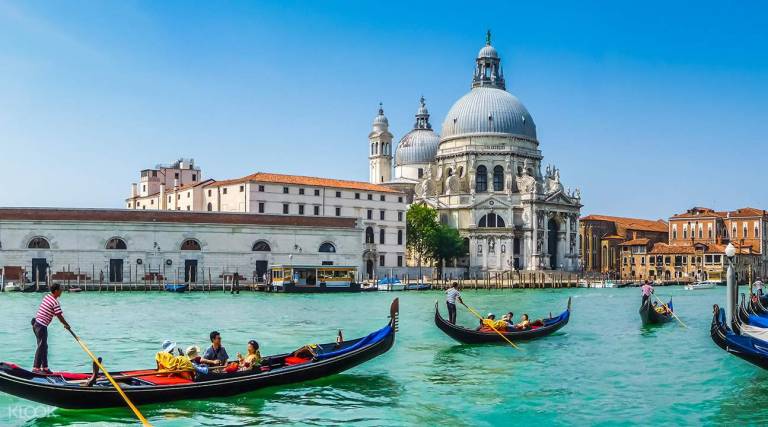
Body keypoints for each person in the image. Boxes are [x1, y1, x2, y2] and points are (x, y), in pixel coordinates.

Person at [31, 283, 71, 374]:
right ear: (56, 291)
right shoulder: (55, 302)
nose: (62, 292)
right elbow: (59, 316)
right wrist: (67, 325)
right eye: (60, 290)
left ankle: (45, 368)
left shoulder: (47, 297)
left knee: (44, 346)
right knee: (42, 347)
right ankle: (36, 369)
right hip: (41, 326)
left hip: (36, 324)